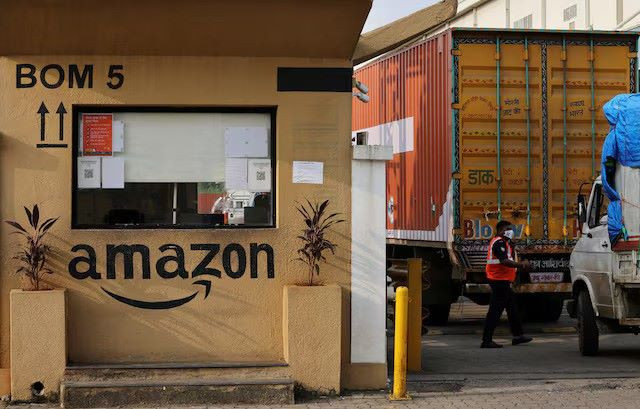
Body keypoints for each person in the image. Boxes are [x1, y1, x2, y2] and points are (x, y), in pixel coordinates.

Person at [481, 220, 533, 348]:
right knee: (495, 311)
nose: (510, 231)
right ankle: (486, 340)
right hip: (498, 280)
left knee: (512, 308)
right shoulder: (499, 242)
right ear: (500, 230)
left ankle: (518, 336)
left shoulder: (505, 243)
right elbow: (504, 261)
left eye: (511, 228)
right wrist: (521, 265)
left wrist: (513, 245)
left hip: (503, 279)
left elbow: (508, 257)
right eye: (508, 229)